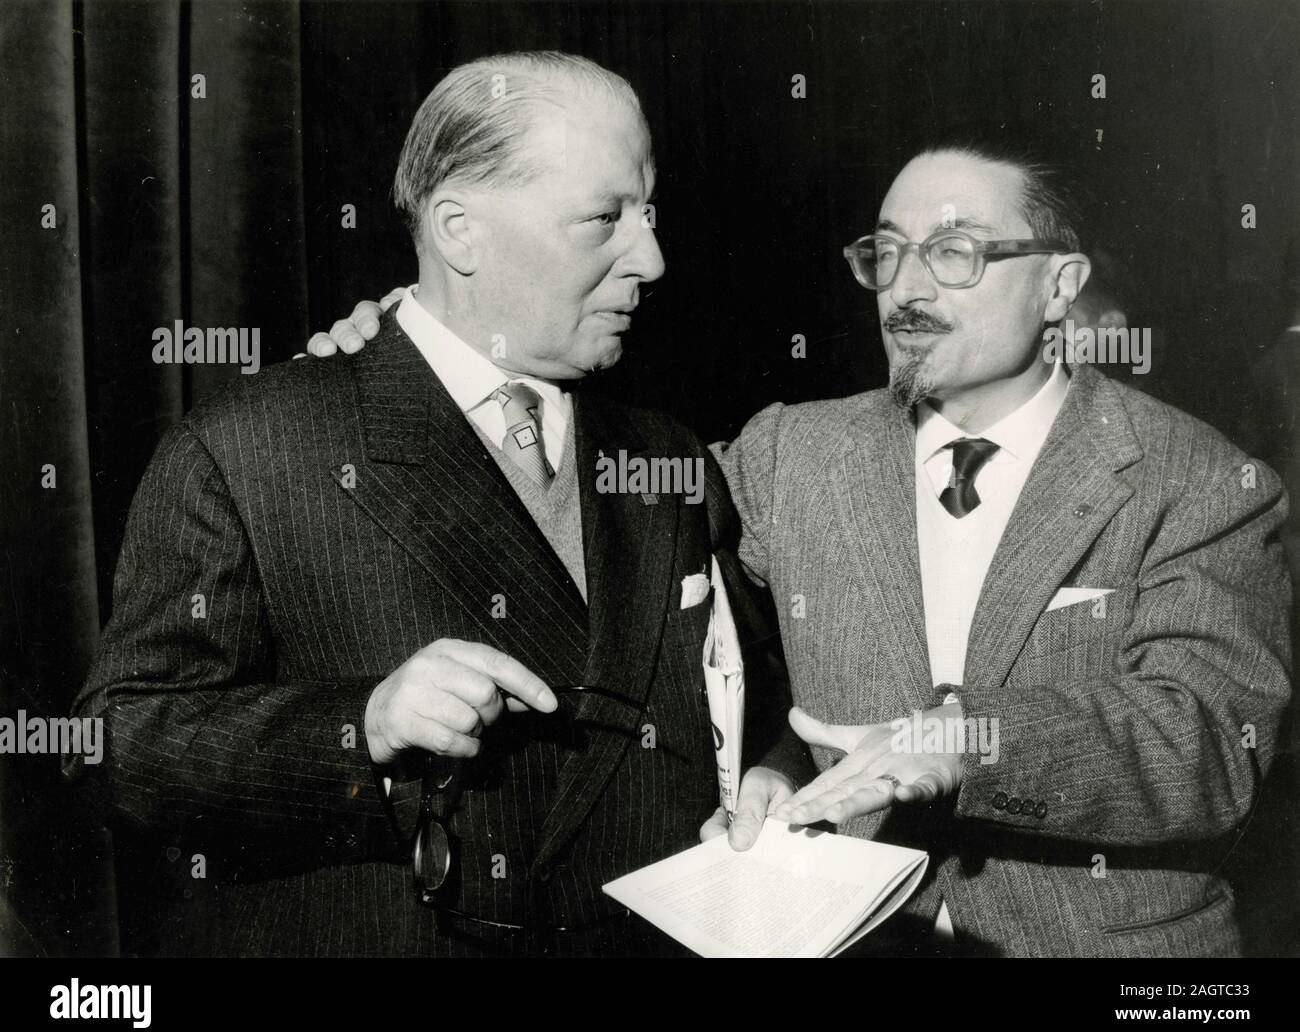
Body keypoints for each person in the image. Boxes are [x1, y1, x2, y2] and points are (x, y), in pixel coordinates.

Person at [323, 123, 1291, 957]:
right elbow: (579, 502)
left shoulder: (1196, 482)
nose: (904, 290)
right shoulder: (794, 450)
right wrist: (418, 354)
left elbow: (1207, 744)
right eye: (887, 252)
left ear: (1057, 285)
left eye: (954, 253)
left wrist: (969, 739)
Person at [69, 51, 801, 958]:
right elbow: (118, 746)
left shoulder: (667, 454)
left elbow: (760, 698)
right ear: (460, 229)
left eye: (647, 211)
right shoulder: (246, 447)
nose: (650, 257)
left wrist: (772, 774)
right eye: (603, 218)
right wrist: (363, 724)